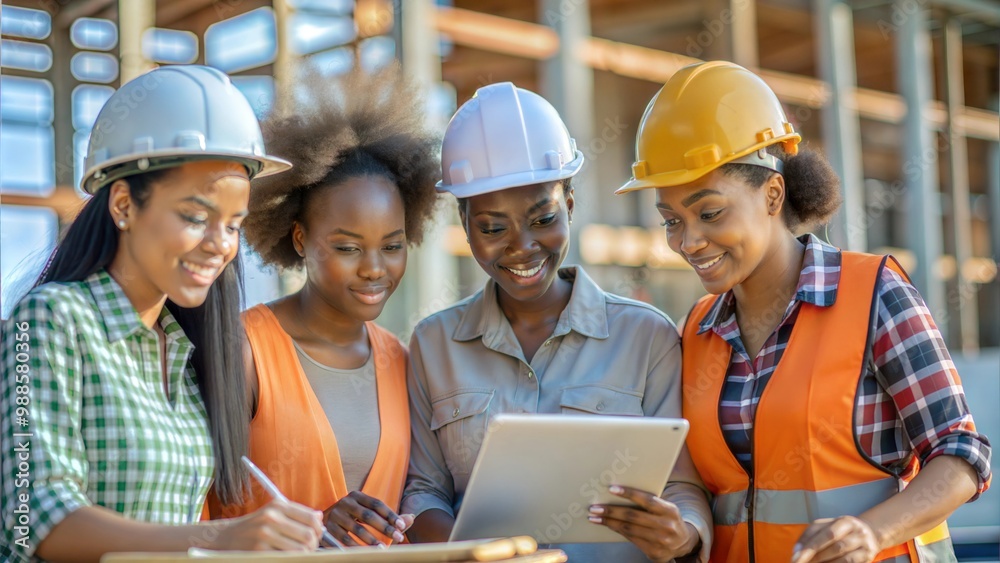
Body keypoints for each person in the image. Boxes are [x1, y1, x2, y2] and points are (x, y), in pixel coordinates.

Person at [616, 60, 992, 563]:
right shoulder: (696, 330)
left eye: (709, 213)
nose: (688, 241)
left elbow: (961, 455)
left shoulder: (873, 293)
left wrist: (870, 533)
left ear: (772, 194)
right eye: (671, 221)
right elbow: (707, 494)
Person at [0, 65, 327, 562]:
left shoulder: (183, 345)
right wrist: (223, 537)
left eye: (233, 224)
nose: (220, 246)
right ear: (125, 205)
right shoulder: (48, 320)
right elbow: (35, 516)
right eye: (196, 217)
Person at [402, 82, 712, 562]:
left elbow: (681, 486)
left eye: (543, 218)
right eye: (492, 228)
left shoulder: (647, 337)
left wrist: (685, 533)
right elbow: (423, 491)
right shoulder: (433, 344)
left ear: (569, 203)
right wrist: (482, 553)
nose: (522, 245)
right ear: (465, 226)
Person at [207, 66, 440, 548]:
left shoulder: (401, 360)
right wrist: (312, 529)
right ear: (300, 239)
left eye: (392, 246)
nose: (375, 269)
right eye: (348, 248)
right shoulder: (245, 350)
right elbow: (198, 510)